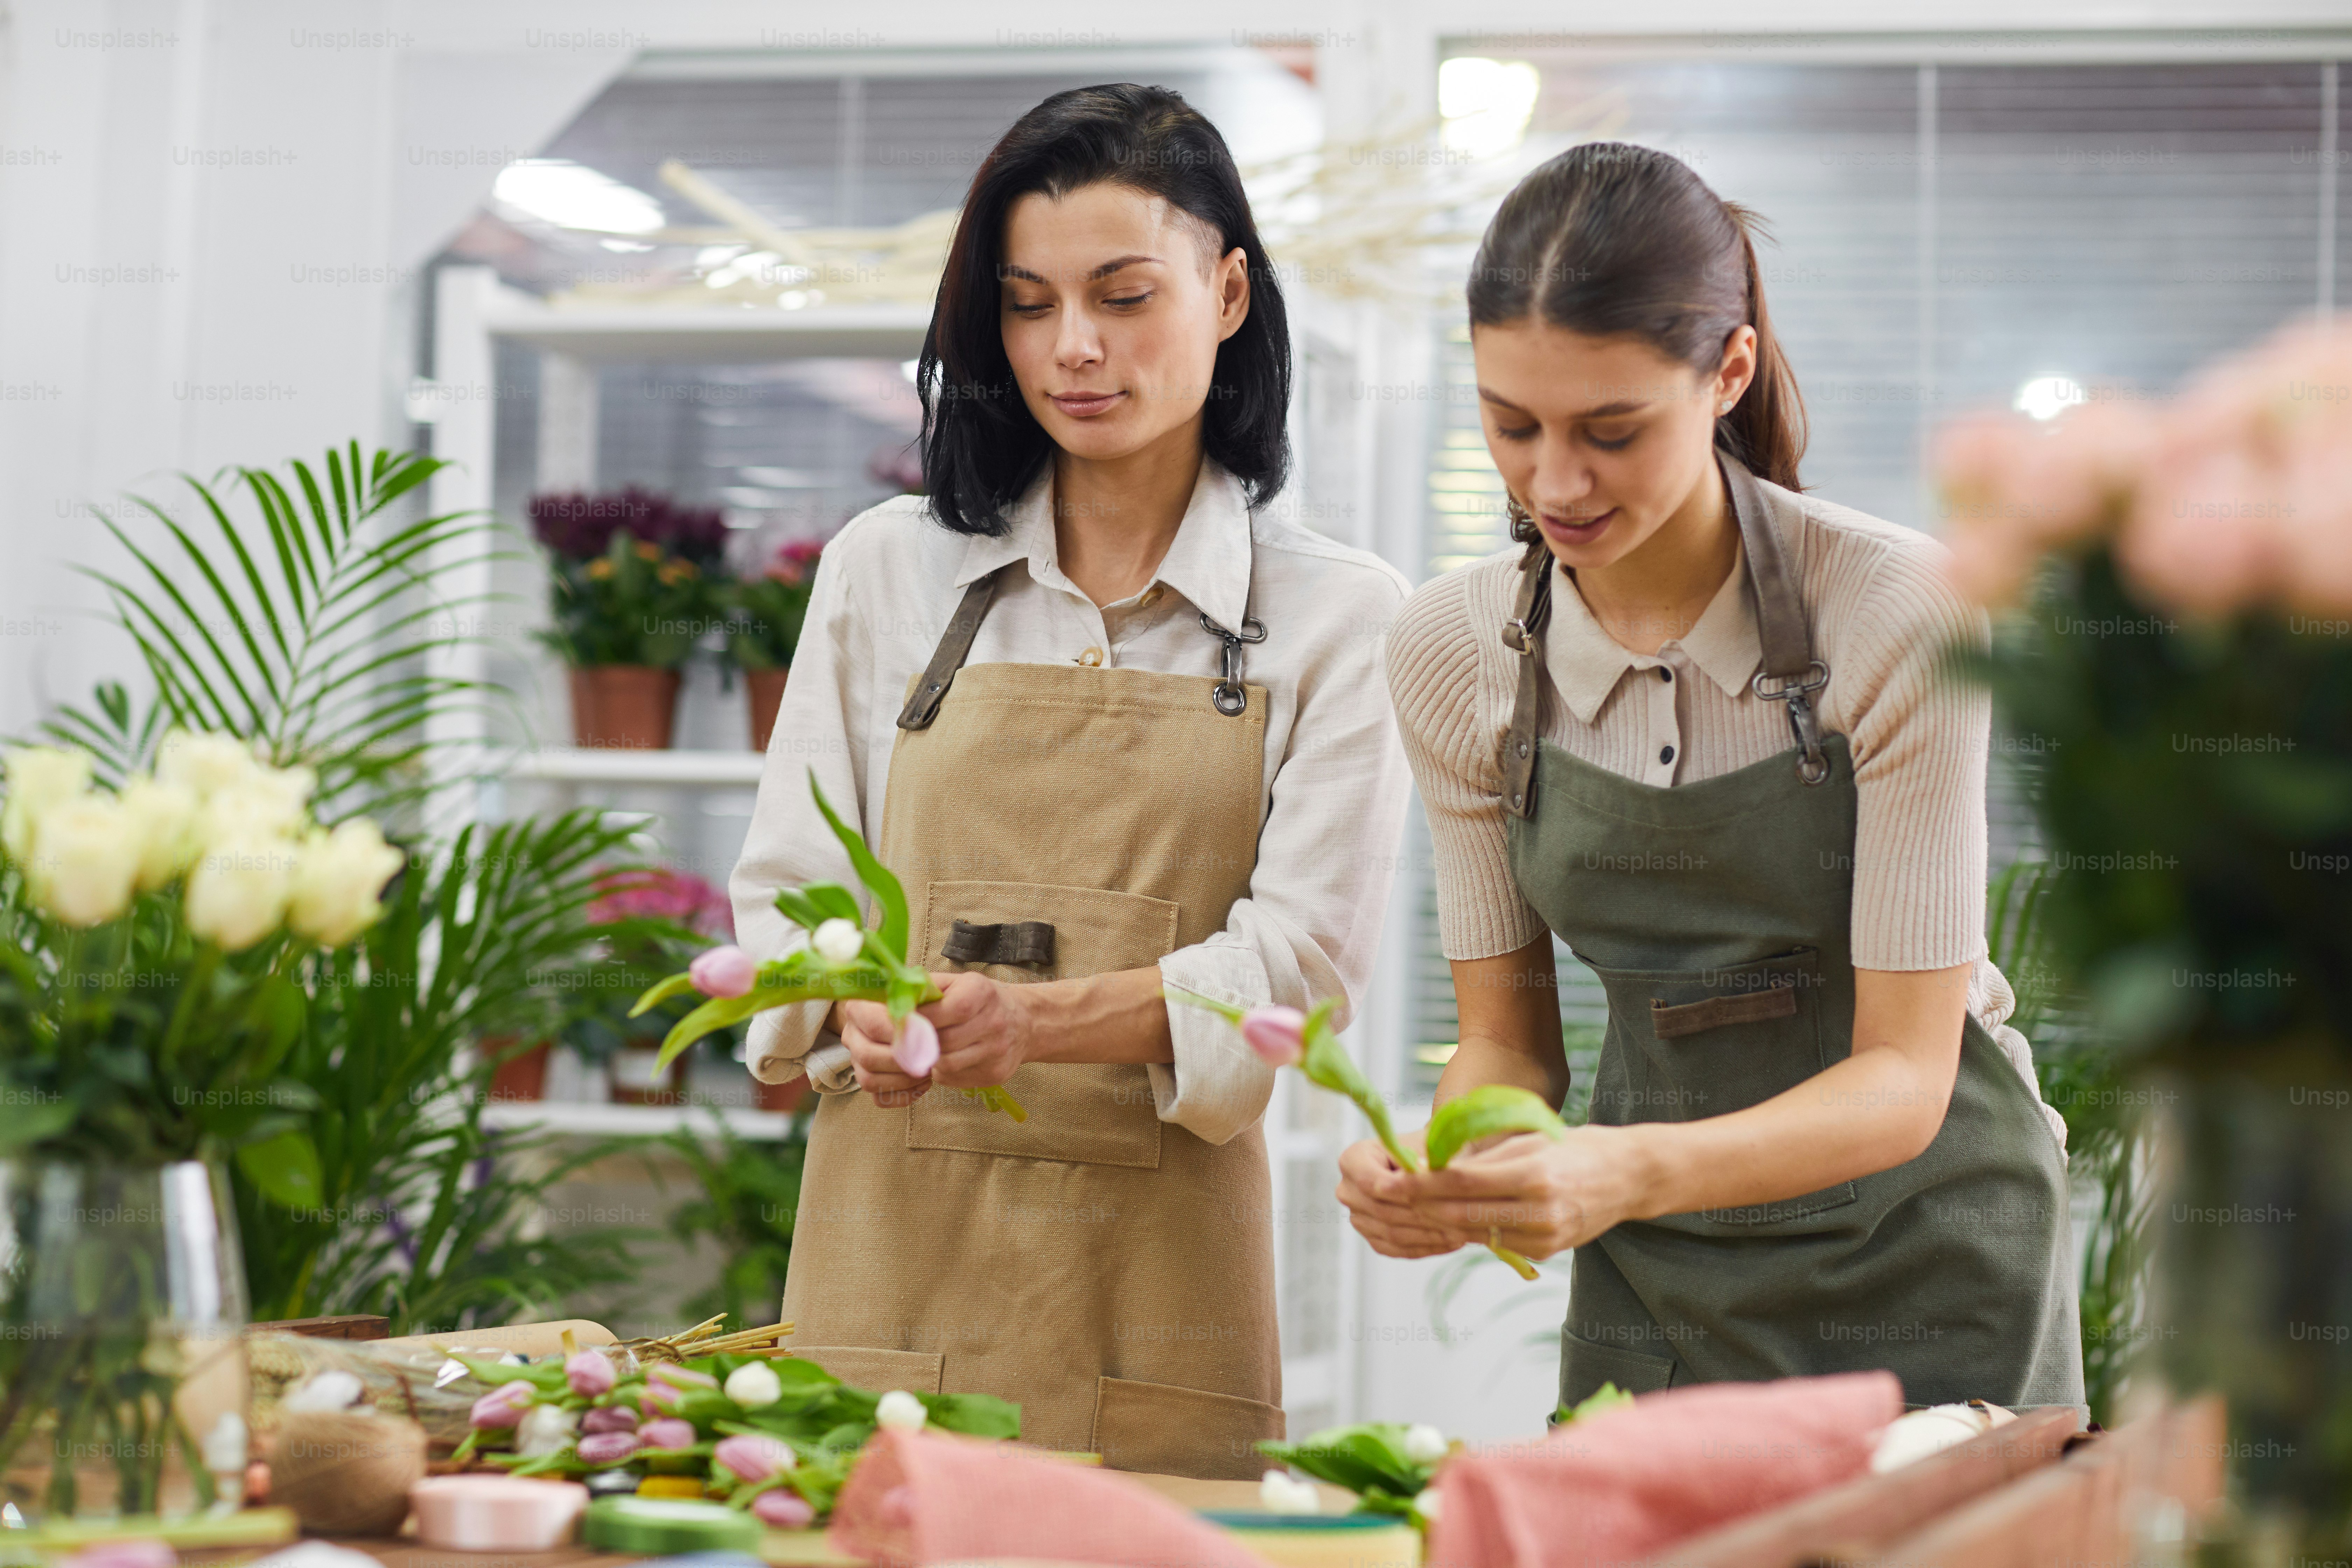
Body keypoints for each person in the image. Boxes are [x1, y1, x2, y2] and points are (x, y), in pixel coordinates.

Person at [731, 83, 1412, 1477]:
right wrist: (854, 999)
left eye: (1121, 294)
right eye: (1029, 304)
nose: (1074, 348)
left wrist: (1032, 1027)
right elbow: (790, 899)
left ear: (1227, 294)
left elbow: (1300, 968)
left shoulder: (1343, 614)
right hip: (883, 1276)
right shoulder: (889, 568)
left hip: (1158, 1301)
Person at [1340, 142, 2082, 1413]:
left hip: (1931, 1253)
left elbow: (1905, 1077)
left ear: (1727, 371)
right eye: (1511, 424)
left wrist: (1622, 1173)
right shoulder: (1449, 651)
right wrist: (1444, 1155)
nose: (1553, 485)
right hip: (1659, 1268)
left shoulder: (1894, 609)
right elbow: (1508, 1047)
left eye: (1611, 431)